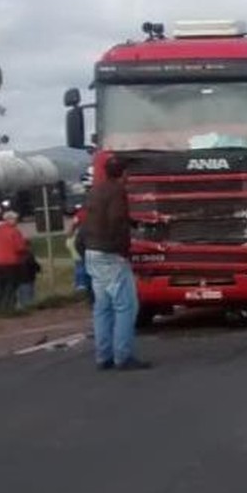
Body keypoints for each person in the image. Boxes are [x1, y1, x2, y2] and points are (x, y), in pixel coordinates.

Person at [82, 156, 150, 370]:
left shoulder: (95, 191)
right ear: (124, 174)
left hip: (91, 252)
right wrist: (125, 249)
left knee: (102, 307)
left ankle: (104, 356)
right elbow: (116, 221)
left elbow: (96, 218)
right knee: (126, 306)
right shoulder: (118, 191)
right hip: (111, 255)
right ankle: (123, 355)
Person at [0, 210, 27, 313]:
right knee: (10, 285)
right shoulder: (14, 231)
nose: (17, 222)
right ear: (9, 220)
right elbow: (20, 248)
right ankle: (9, 308)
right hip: (11, 262)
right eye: (15, 220)